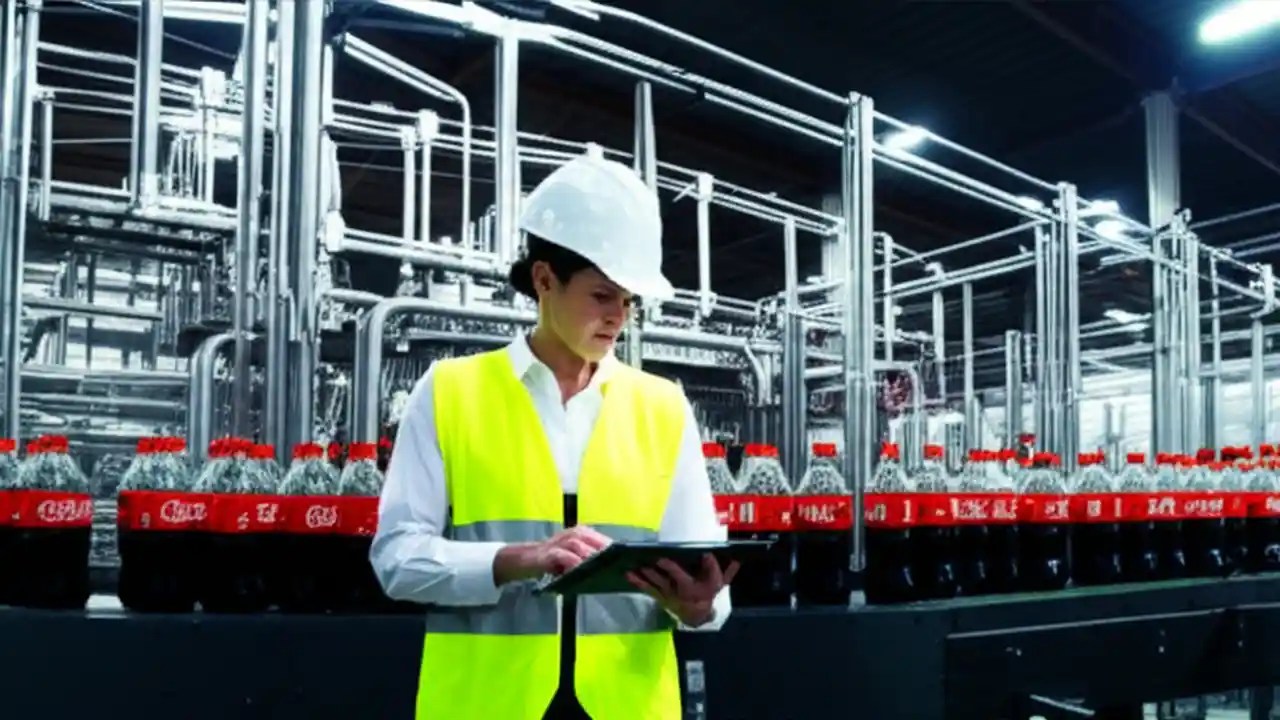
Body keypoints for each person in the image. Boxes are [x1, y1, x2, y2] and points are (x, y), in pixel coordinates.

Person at [371, 154, 738, 720]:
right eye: (602, 295)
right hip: (484, 706)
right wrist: (520, 559)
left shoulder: (664, 408)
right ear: (544, 279)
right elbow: (397, 560)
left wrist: (700, 608)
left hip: (629, 707)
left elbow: (704, 583)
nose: (619, 316)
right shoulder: (449, 393)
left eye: (629, 300)